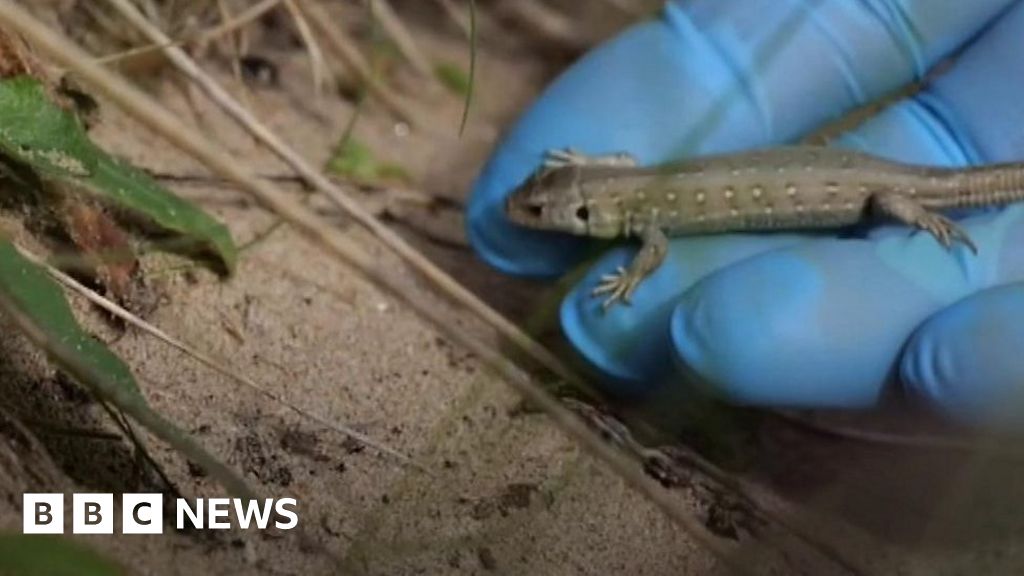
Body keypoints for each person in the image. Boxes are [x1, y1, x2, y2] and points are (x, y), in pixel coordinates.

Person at [467, 0, 1024, 426]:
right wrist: (587, 162)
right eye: (538, 206)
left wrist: (630, 276)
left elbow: (654, 248)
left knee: (925, 196)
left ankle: (928, 215)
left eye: (540, 209)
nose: (528, 211)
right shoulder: (632, 188)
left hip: (880, 186)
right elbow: (622, 167)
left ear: (585, 210)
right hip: (863, 174)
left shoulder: (640, 209)